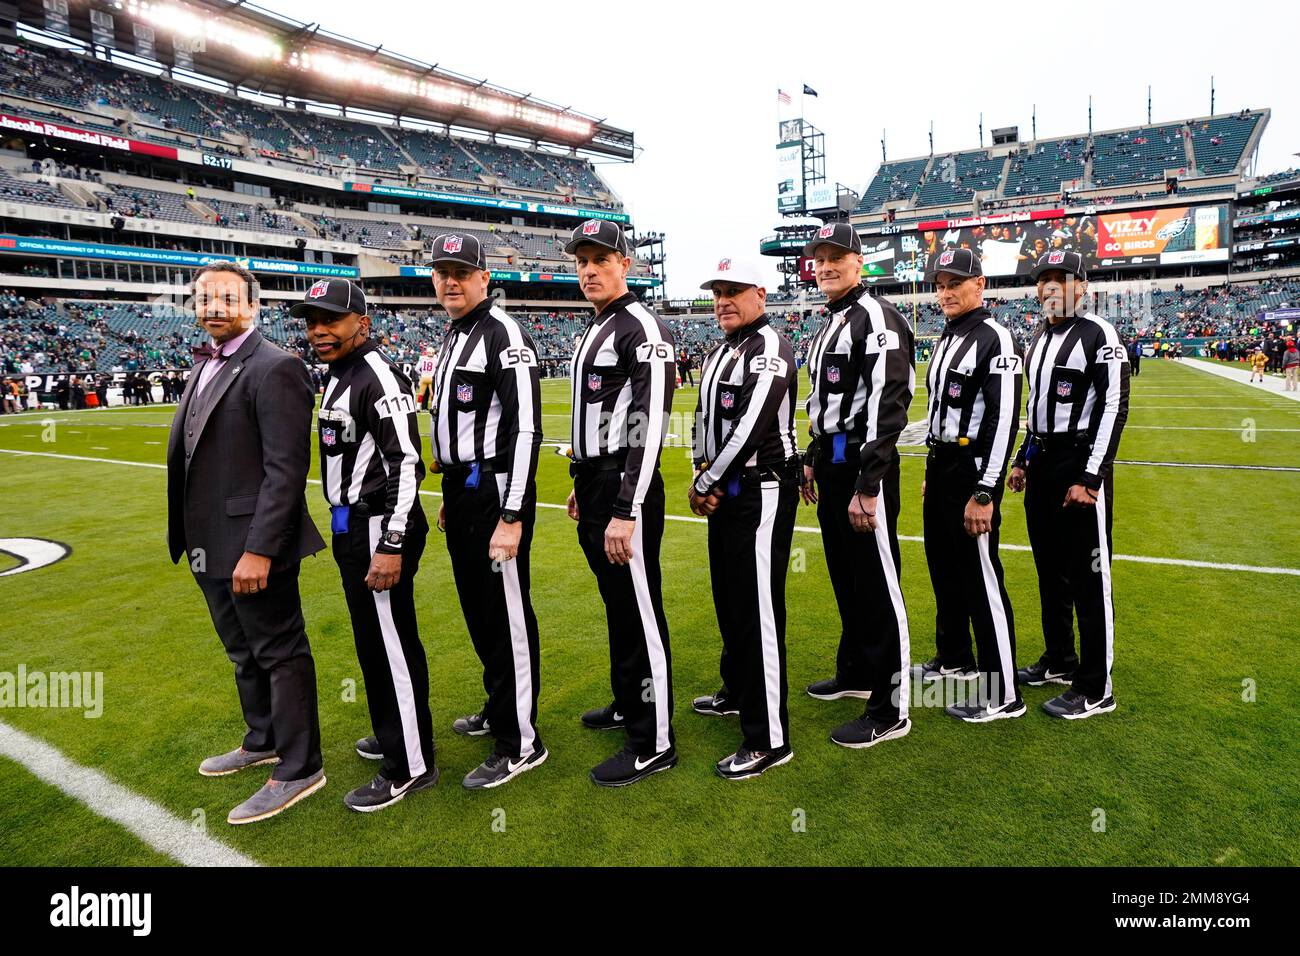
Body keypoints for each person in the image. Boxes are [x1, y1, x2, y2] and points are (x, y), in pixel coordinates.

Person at [167, 261, 327, 824]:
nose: (214, 307)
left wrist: (259, 549)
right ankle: (263, 738)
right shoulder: (203, 363)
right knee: (242, 651)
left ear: (253, 306)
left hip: (253, 544)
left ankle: (300, 766)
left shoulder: (277, 366)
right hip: (207, 542)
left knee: (280, 651)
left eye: (227, 298)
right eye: (204, 298)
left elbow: (285, 472)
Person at [293, 278, 439, 810]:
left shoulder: (375, 375)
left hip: (379, 524)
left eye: (331, 319)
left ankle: (410, 764)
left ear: (362, 322)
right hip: (352, 525)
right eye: (312, 321)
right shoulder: (340, 374)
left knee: (391, 645)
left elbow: (406, 463)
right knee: (374, 642)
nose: (319, 330)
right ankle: (396, 731)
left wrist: (392, 542)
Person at [427, 233, 547, 789]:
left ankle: (521, 741)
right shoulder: (455, 334)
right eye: (442, 272)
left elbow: (525, 428)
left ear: (484, 277)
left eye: (461, 272)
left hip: (495, 491)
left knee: (506, 616)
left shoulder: (503, 333)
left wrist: (512, 514)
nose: (450, 281)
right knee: (479, 609)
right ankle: (500, 707)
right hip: (463, 490)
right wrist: (451, 493)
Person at [565, 218, 678, 787]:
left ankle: (653, 740)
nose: (589, 270)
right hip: (596, 481)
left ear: (625, 265)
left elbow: (650, 425)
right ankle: (628, 702)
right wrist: (582, 479)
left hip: (622, 488)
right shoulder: (599, 323)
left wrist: (625, 506)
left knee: (638, 611)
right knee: (618, 605)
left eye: (601, 260)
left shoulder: (639, 326)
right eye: (582, 261)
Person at [800, 223, 915, 749]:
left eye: (836, 257)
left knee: (876, 581)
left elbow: (890, 402)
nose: (826, 266)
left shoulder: (876, 316)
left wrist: (870, 482)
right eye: (819, 258)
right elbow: (824, 403)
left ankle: (891, 708)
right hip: (833, 460)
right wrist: (813, 455)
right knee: (847, 576)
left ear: (858, 262)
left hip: (863, 467)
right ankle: (858, 671)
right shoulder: (833, 320)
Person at [689, 257, 800, 779]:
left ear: (760, 293)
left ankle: (769, 739)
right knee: (730, 599)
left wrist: (706, 481)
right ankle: (737, 691)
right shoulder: (721, 350)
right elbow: (702, 418)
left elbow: (753, 426)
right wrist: (701, 468)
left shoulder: (770, 347)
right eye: (717, 292)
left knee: (757, 610)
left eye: (733, 291)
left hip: (761, 491)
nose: (722, 301)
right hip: (727, 493)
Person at [1009, 251, 1129, 718]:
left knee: (1089, 577)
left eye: (1061, 278)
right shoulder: (1039, 337)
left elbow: (1114, 407)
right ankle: (1060, 658)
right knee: (1050, 570)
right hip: (1043, 462)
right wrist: (1023, 459)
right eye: (1044, 279)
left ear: (1081, 286)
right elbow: (1036, 408)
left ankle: (1096, 687)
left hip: (1079, 462)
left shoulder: (1100, 334)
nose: (1050, 287)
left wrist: (1091, 477)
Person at [920, 248, 1024, 722]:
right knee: (944, 567)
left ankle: (1003, 692)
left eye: (955, 283)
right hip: (942, 462)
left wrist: (985, 491)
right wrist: (931, 470)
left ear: (979, 284)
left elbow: (1004, 420)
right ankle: (955, 657)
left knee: (981, 576)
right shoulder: (948, 336)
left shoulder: (994, 337)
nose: (945, 292)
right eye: (940, 285)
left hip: (971, 467)